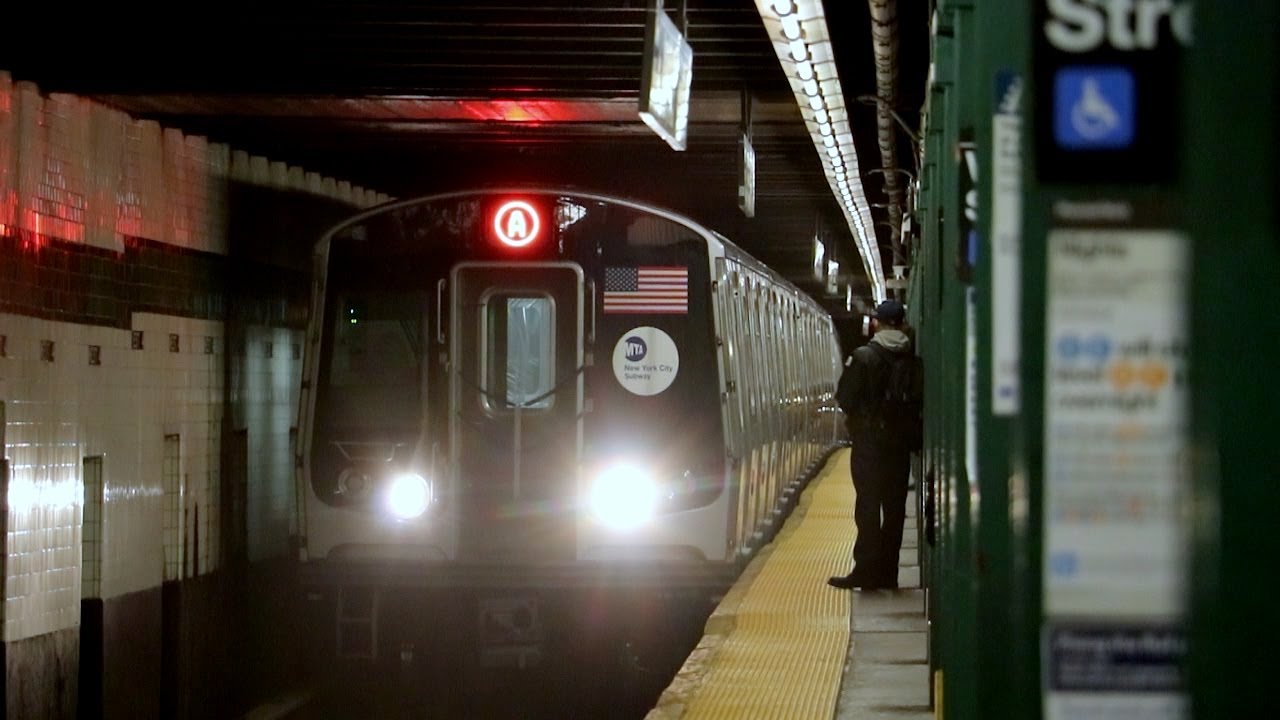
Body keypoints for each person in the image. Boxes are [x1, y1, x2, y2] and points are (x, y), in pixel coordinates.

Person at [828, 299, 921, 591]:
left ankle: (865, 571)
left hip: (869, 445)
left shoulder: (864, 357)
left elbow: (845, 398)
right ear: (903, 324)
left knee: (868, 506)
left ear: (877, 323)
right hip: (900, 445)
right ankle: (888, 573)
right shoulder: (912, 360)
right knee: (894, 509)